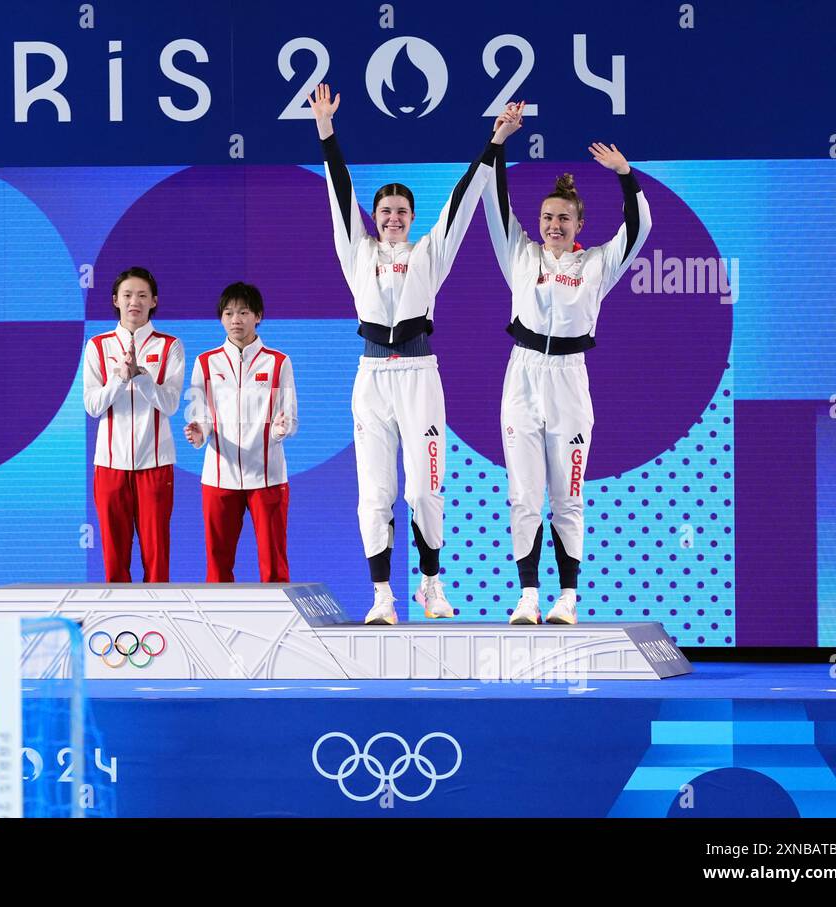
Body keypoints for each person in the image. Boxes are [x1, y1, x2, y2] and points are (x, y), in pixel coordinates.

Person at [309, 82, 496, 625]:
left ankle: (431, 587)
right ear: (374, 216)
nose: (393, 217)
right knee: (376, 493)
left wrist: (491, 144)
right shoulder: (357, 250)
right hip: (371, 378)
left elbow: (461, 204)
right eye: (385, 210)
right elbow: (338, 192)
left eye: (401, 210)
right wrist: (326, 129)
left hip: (419, 376)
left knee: (425, 488)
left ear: (413, 217)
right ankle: (382, 596)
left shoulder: (429, 254)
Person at [482, 101, 652, 625]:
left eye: (564, 218)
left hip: (571, 383)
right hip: (523, 375)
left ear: (579, 223)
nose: (554, 224)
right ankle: (528, 596)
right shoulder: (520, 252)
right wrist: (499, 141)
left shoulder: (598, 263)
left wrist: (625, 175)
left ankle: (568, 599)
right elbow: (493, 198)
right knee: (524, 495)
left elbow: (640, 228)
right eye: (547, 217)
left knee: (567, 496)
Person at [183, 282, 298, 583]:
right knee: (217, 565)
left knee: (274, 565)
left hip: (268, 476)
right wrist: (198, 433)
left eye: (244, 312)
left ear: (258, 315)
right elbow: (200, 417)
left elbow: (289, 417)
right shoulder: (206, 363)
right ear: (221, 318)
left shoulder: (278, 362)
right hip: (220, 476)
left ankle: (280, 625)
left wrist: (281, 430)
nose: (236, 319)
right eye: (229, 312)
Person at [83, 267, 185, 582]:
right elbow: (93, 406)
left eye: (142, 295)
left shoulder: (170, 346)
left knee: (157, 558)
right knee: (114, 558)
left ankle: (158, 628)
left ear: (154, 301)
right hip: (110, 466)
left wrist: (141, 377)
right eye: (127, 295)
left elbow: (170, 403)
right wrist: (119, 377)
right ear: (115, 300)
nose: (134, 302)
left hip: (155, 464)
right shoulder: (98, 346)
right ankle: (119, 625)